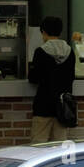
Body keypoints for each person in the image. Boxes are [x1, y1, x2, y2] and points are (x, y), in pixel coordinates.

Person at [28, 15, 75, 143]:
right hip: (63, 106)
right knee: (60, 147)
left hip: (43, 105)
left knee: (38, 145)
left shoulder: (40, 52)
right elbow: (71, 77)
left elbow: (33, 77)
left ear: (43, 31)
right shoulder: (70, 52)